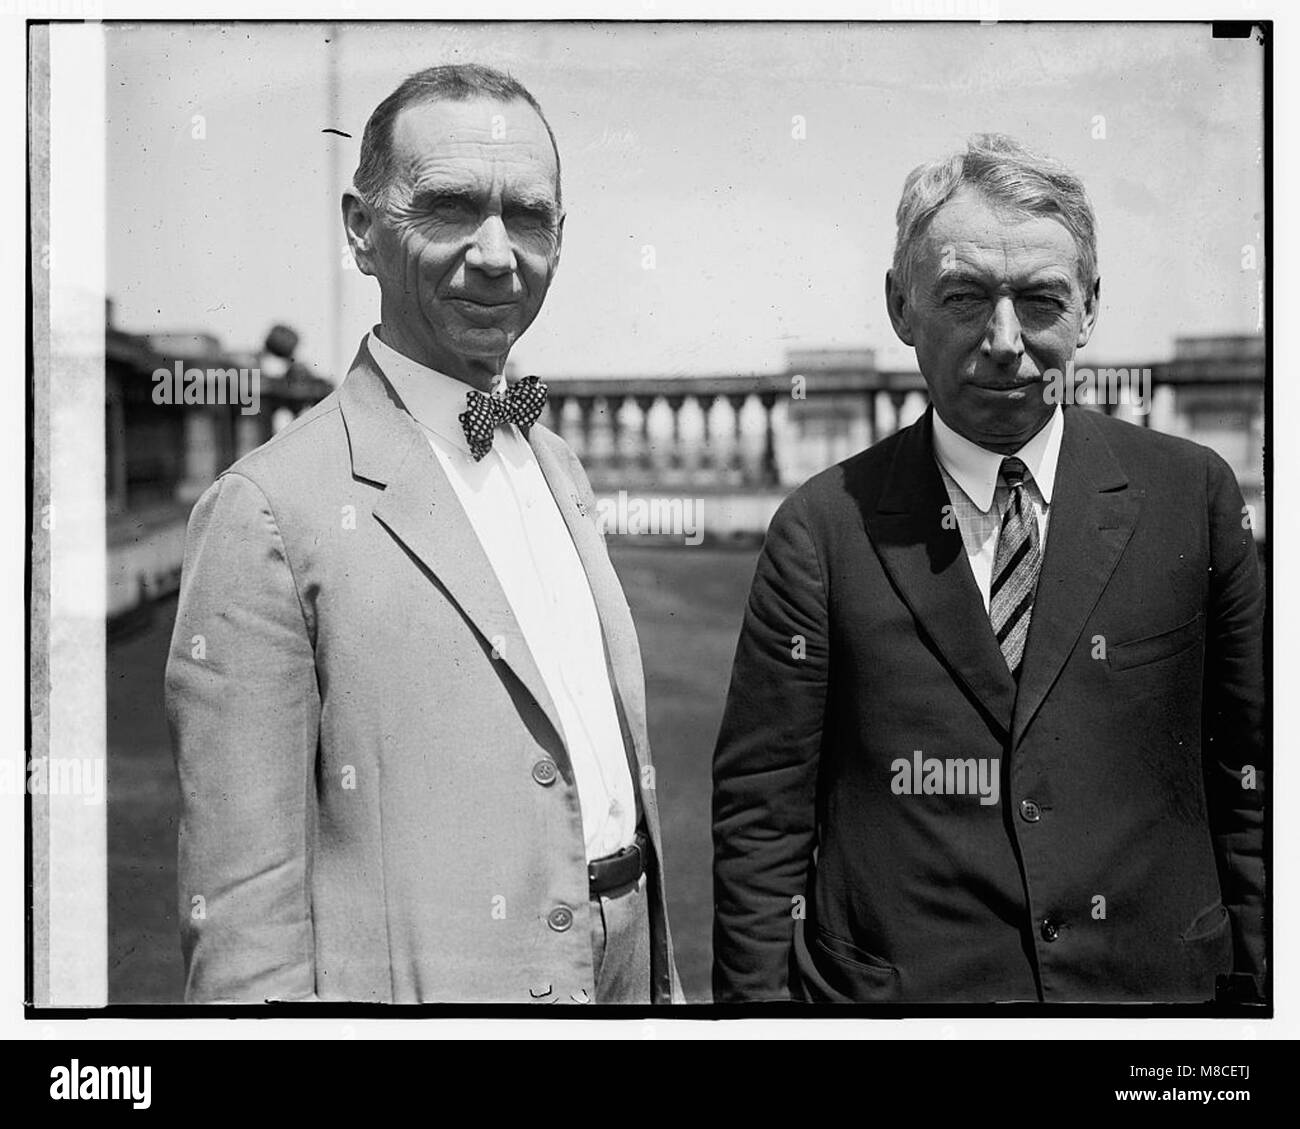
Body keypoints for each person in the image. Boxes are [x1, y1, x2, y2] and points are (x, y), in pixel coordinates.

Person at [166, 63, 681, 1005]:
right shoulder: (267, 509)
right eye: (449, 207)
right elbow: (242, 913)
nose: (496, 253)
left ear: (560, 239)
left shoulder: (557, 466)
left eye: (528, 216)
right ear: (362, 229)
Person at [712, 134, 1265, 1005]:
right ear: (901, 306)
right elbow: (761, 822)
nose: (1006, 342)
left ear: (1089, 309)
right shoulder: (821, 529)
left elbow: (1256, 786)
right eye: (965, 297)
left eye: (1041, 300)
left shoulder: (1193, 497)